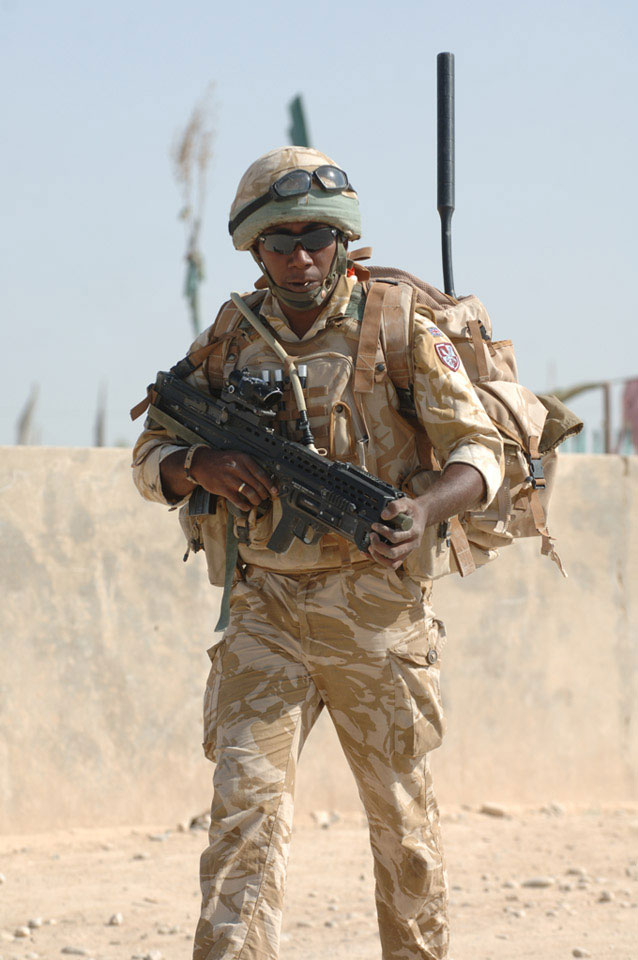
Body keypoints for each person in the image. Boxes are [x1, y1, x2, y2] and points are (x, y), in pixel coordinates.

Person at [132, 146, 504, 960]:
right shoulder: (233, 334)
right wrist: (199, 467)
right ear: (255, 249)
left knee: (404, 828)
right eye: (281, 241)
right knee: (243, 819)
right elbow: (152, 444)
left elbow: (481, 453)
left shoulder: (398, 323)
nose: (301, 257)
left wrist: (423, 507)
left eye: (317, 239)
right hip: (265, 611)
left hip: (376, 614)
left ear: (342, 240)